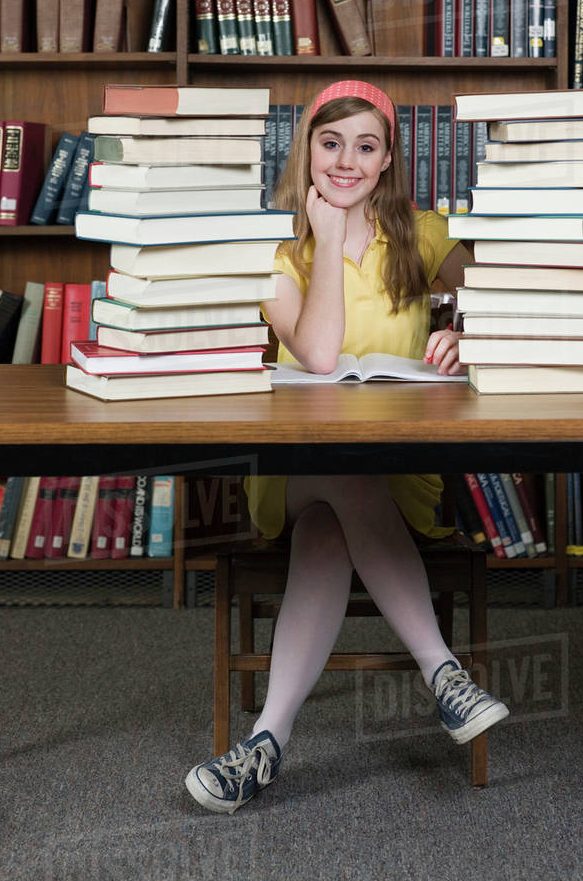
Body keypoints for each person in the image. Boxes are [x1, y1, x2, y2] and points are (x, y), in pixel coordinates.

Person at [185, 79, 509, 814]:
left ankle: (263, 743)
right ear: (307, 151)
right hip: (292, 471)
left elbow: (513, 300)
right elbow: (321, 358)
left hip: (401, 474)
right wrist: (326, 241)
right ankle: (445, 677)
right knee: (338, 469)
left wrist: (470, 332)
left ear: (387, 158)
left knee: (335, 521)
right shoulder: (273, 250)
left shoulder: (424, 235)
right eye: (330, 143)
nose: (345, 161)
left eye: (366, 146)